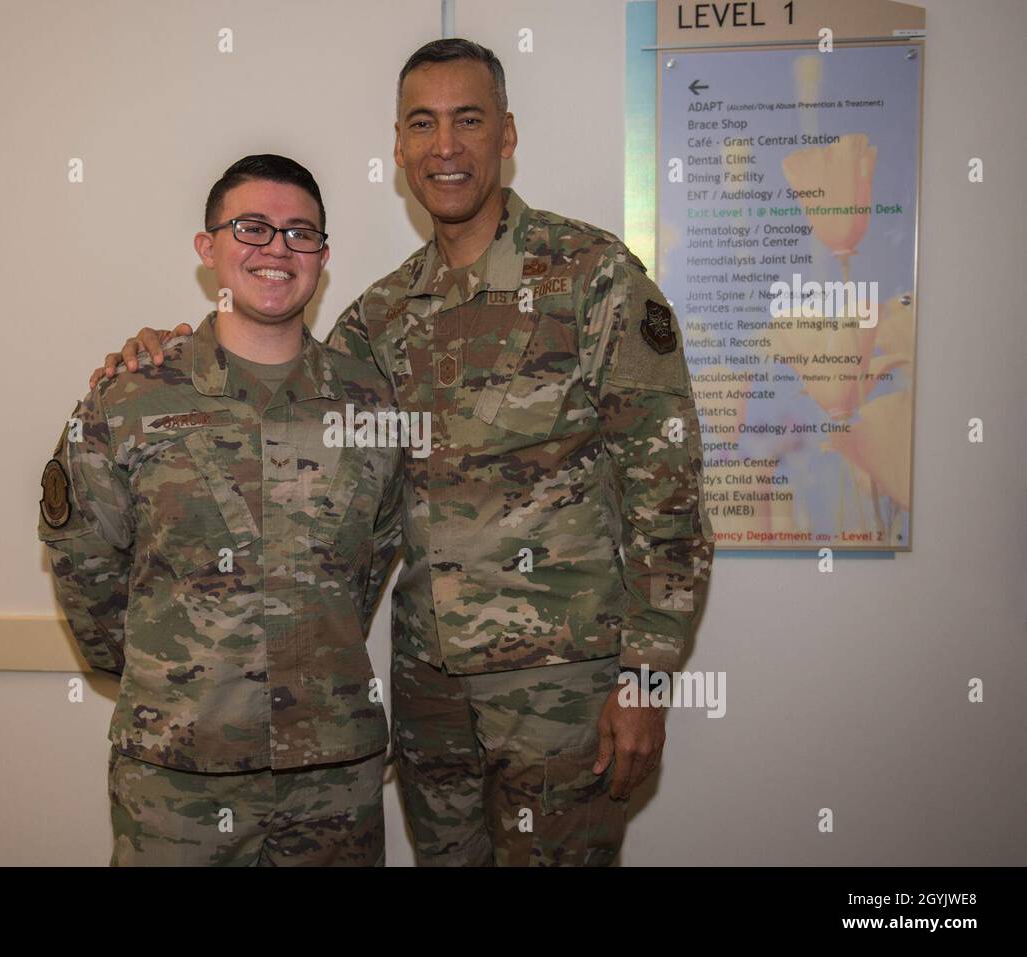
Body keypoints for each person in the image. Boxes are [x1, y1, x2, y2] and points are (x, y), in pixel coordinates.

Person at [89, 39, 715, 867]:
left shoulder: (591, 278)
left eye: (468, 120)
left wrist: (646, 677)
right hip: (429, 697)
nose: (445, 146)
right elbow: (283, 383)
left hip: (562, 696)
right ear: (398, 146)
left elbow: (666, 489)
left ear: (507, 135)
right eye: (423, 123)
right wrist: (161, 354)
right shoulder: (379, 316)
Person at [40, 154, 403, 866]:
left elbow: (371, 562)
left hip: (329, 775)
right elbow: (82, 559)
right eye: (252, 227)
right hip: (178, 773)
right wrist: (172, 673)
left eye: (300, 233)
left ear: (323, 259)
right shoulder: (132, 397)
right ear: (209, 249)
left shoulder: (370, 405)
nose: (277, 248)